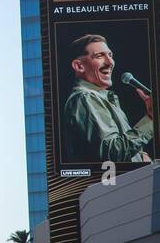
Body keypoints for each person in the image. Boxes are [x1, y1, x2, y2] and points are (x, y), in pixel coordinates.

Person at [61, 34, 154, 163]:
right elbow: (113, 155)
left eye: (110, 55)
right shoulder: (86, 98)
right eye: (99, 56)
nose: (110, 62)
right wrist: (150, 118)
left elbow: (117, 147)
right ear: (79, 66)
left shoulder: (100, 98)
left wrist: (139, 156)